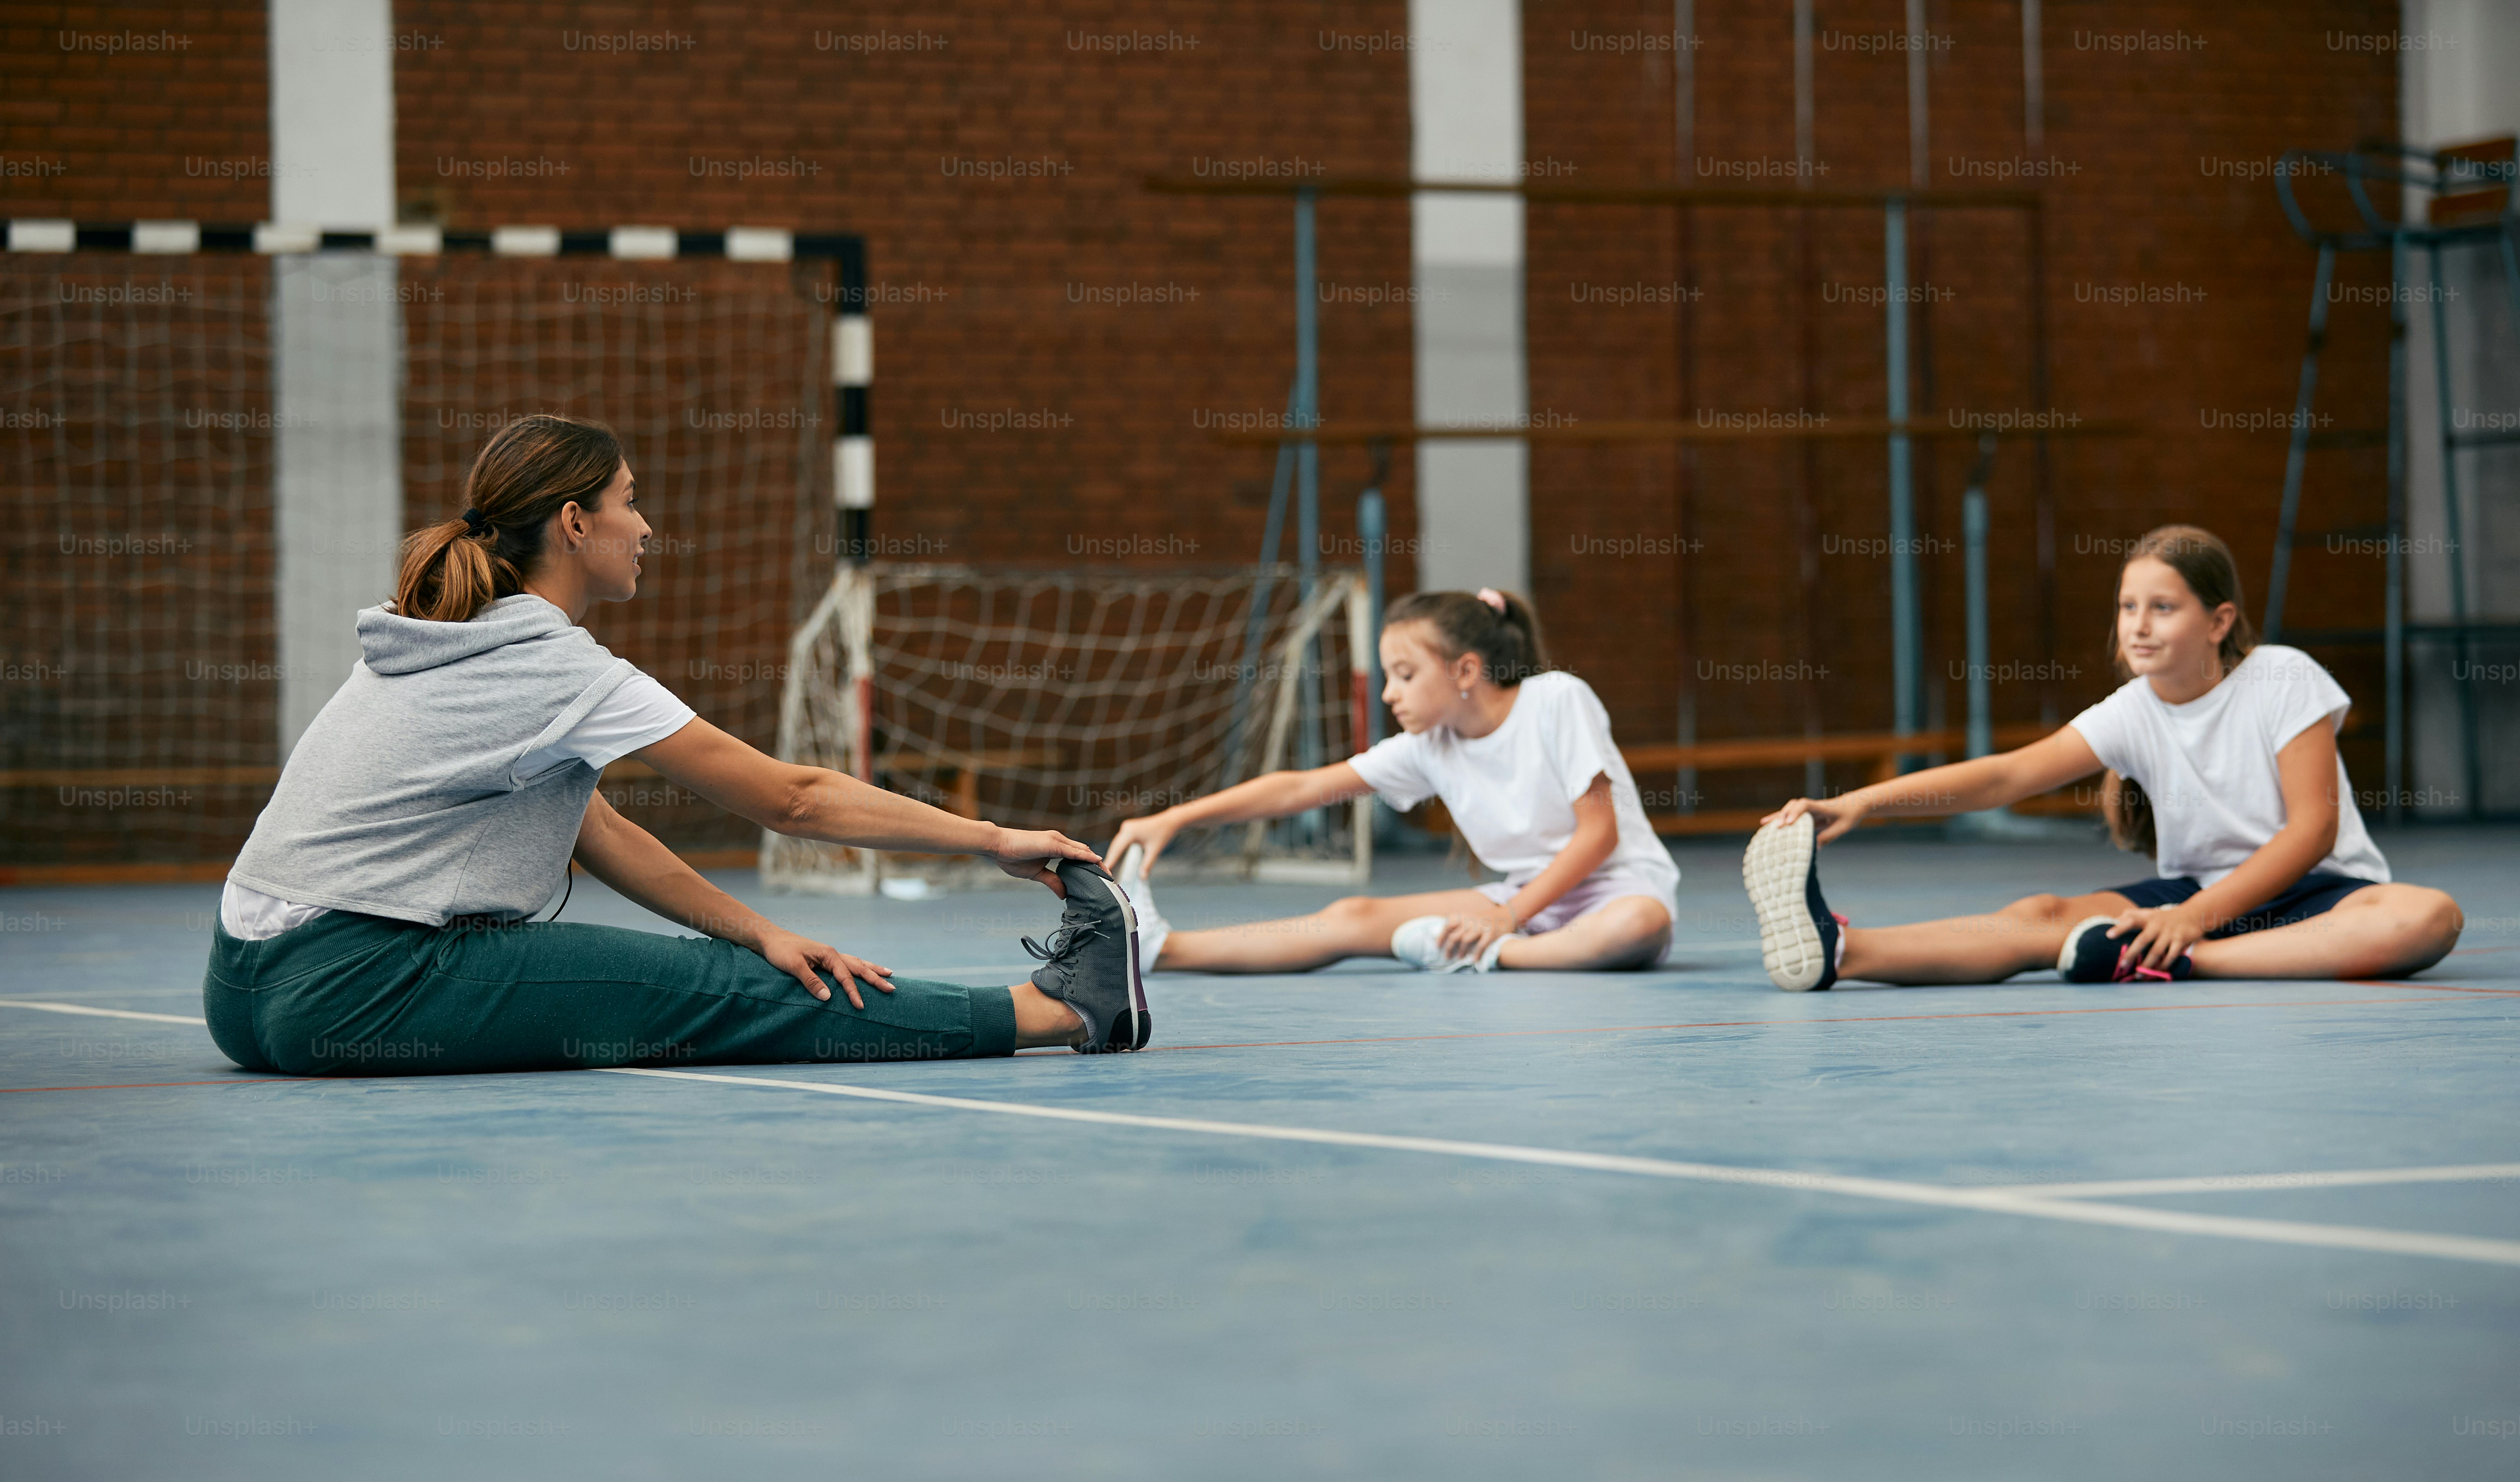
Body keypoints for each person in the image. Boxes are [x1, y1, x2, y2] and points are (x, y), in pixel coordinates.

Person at [205, 415, 1147, 1075]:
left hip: (243, 996)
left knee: (742, 962)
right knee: (716, 993)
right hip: (354, 988)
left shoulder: (436, 631)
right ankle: (1060, 1012)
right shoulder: (553, 665)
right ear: (575, 525)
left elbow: (598, 832)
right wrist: (992, 840)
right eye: (629, 500)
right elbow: (794, 800)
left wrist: (765, 929)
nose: (646, 525)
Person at [1740, 524, 2463, 990]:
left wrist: (2195, 927)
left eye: (2163, 607)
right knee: (2042, 913)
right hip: (2192, 896)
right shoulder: (2132, 710)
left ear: (2219, 621)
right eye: (2127, 608)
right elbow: (2005, 776)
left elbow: (2312, 833)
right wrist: (1863, 801)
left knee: (2425, 918)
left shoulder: (2281, 676)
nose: (2139, 627)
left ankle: (2175, 962)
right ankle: (1844, 950)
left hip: (2318, 896)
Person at [1106, 587, 1678, 974]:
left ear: (1466, 671)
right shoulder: (1429, 746)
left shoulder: (1556, 699)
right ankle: (1162, 950)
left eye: (1406, 675)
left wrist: (1506, 920)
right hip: (1527, 902)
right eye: (1388, 676)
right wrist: (1176, 817)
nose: (1389, 694)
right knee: (1352, 915)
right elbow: (1300, 788)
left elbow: (1599, 833)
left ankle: (1492, 955)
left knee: (1641, 924)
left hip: (1613, 893)